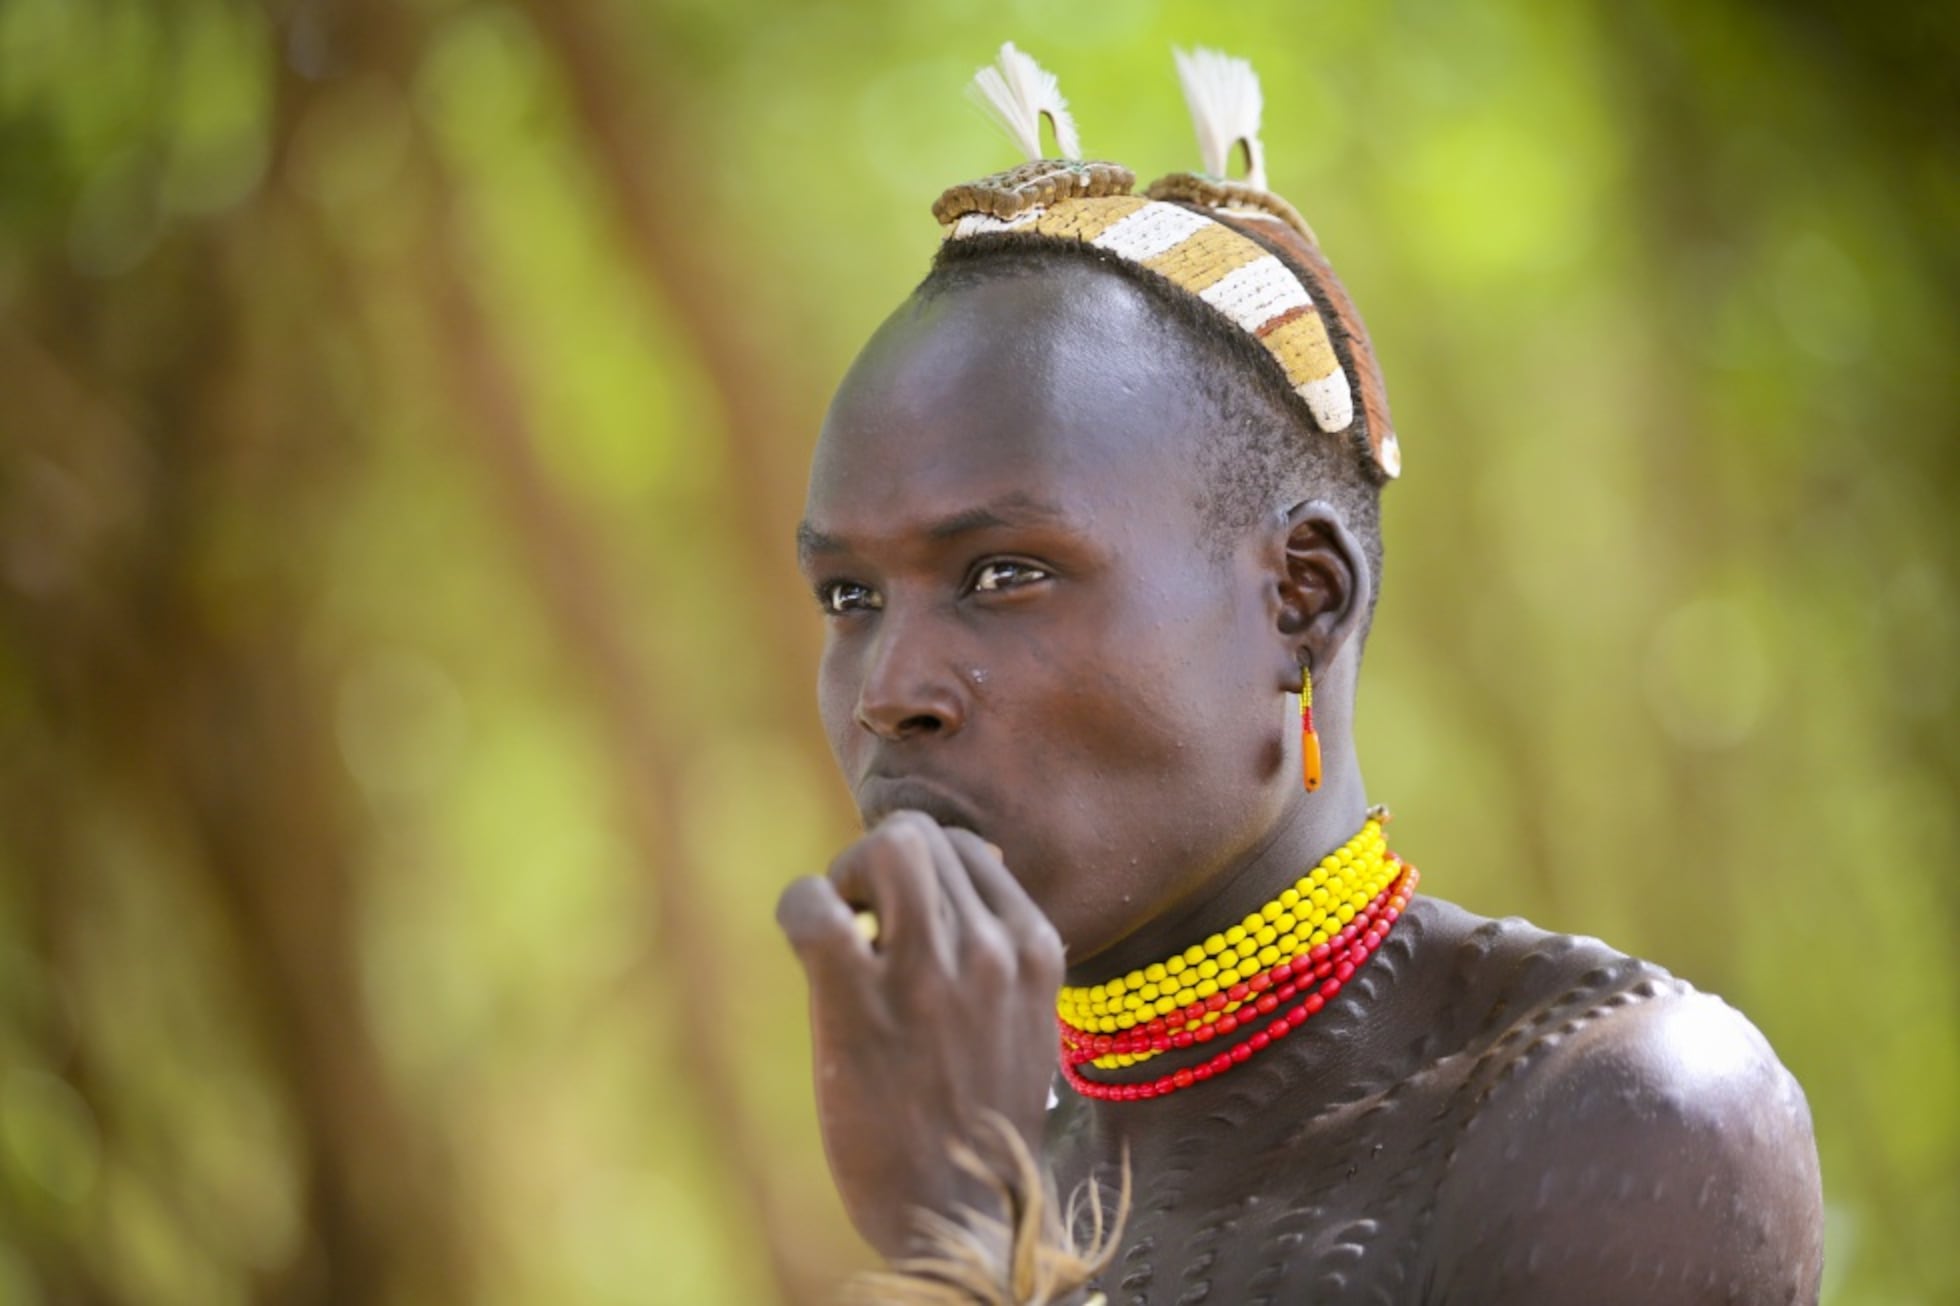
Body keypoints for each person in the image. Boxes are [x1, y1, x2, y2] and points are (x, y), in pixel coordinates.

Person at [776, 44, 1823, 1305]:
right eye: (849, 597)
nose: (889, 688)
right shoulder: (982, 1132)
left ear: (1300, 601)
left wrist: (964, 1236)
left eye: (1003, 574)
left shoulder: (1623, 1117)